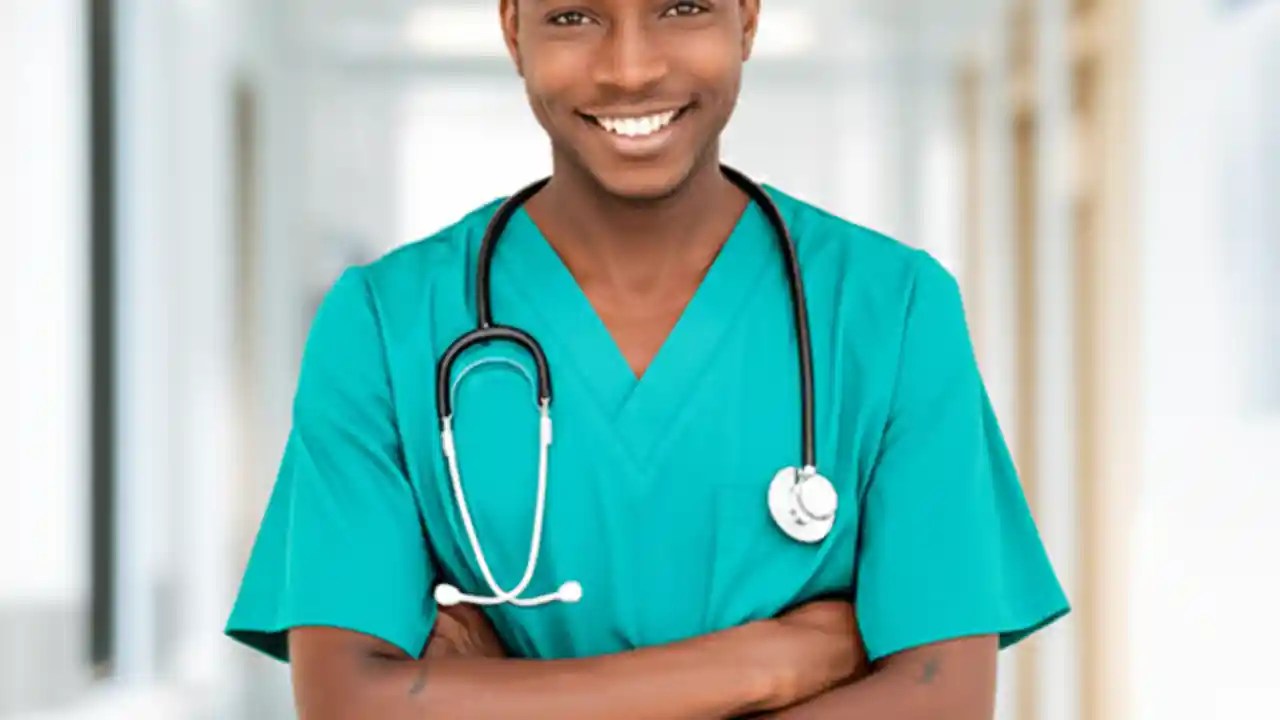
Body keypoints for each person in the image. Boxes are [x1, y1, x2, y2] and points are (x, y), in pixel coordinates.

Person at [224, 1, 1070, 717]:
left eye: (682, 6)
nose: (630, 69)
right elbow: (348, 702)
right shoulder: (385, 324)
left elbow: (940, 698)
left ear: (747, 15)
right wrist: (769, 663)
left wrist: (485, 694)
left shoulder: (893, 310)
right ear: (513, 25)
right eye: (574, 15)